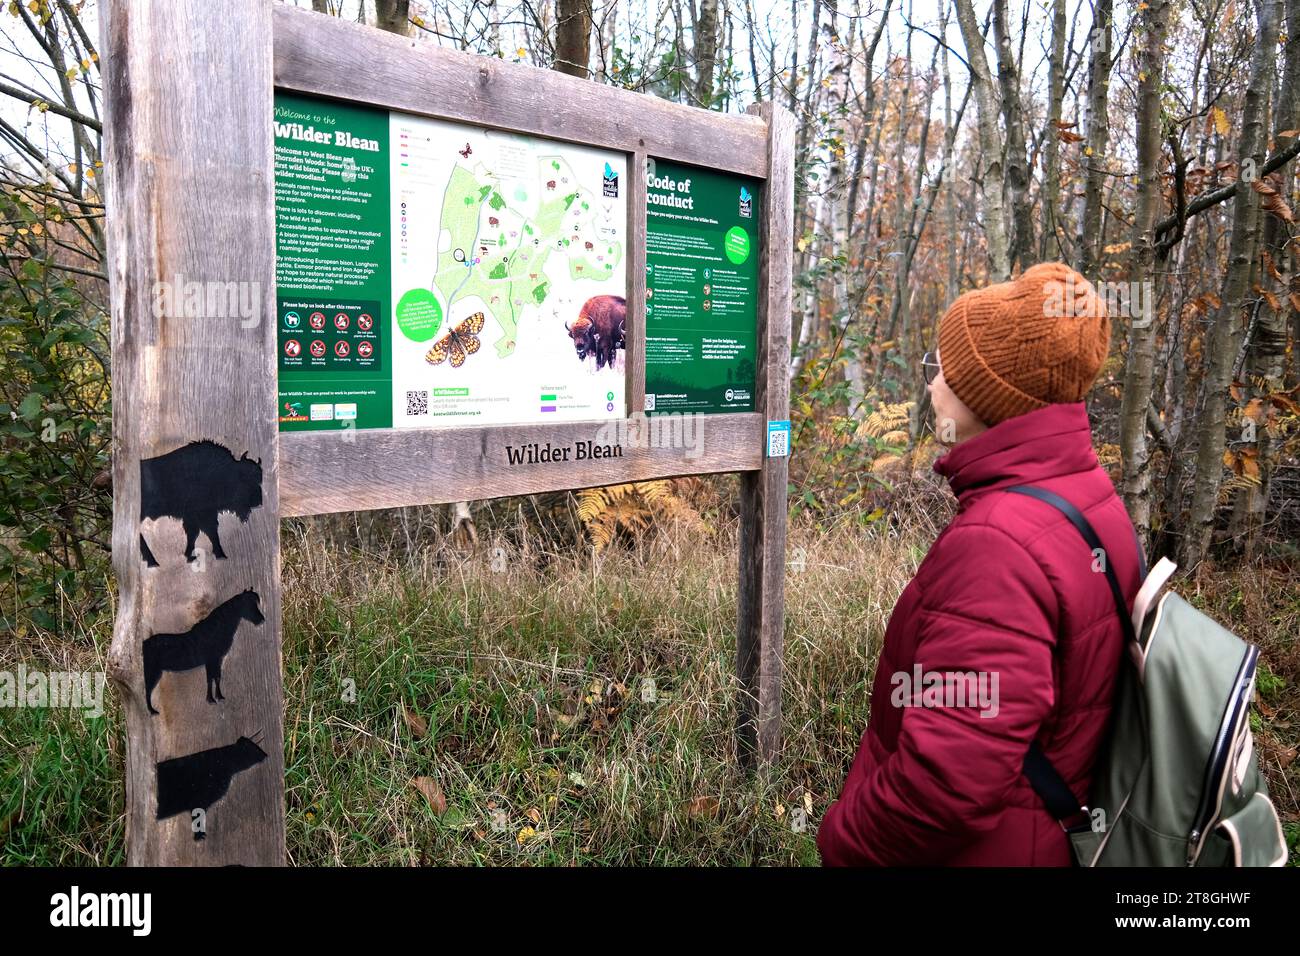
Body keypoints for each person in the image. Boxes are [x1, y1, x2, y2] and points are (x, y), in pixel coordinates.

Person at [817, 261, 1143, 866]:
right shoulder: (1089, 495)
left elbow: (946, 786)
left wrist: (841, 841)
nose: (931, 386)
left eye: (942, 369)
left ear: (988, 394)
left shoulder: (998, 546)